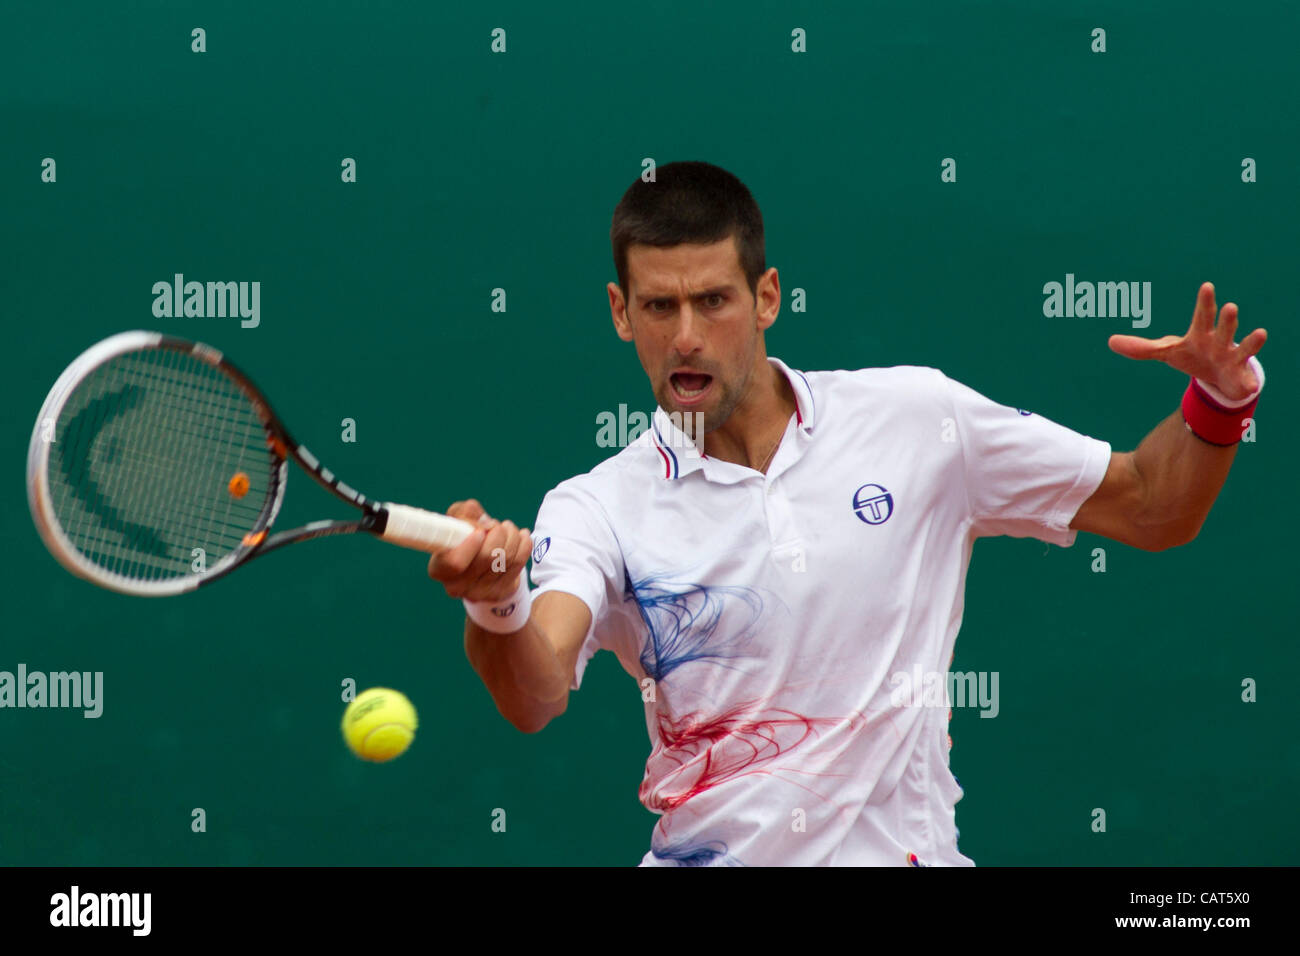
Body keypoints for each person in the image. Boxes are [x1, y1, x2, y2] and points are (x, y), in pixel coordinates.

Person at [428, 161, 1267, 866]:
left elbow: (1155, 506)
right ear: (621, 313)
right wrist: (494, 604)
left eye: (713, 301)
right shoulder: (596, 506)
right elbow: (534, 695)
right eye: (659, 307)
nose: (686, 336)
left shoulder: (917, 419)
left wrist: (1221, 399)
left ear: (767, 297)